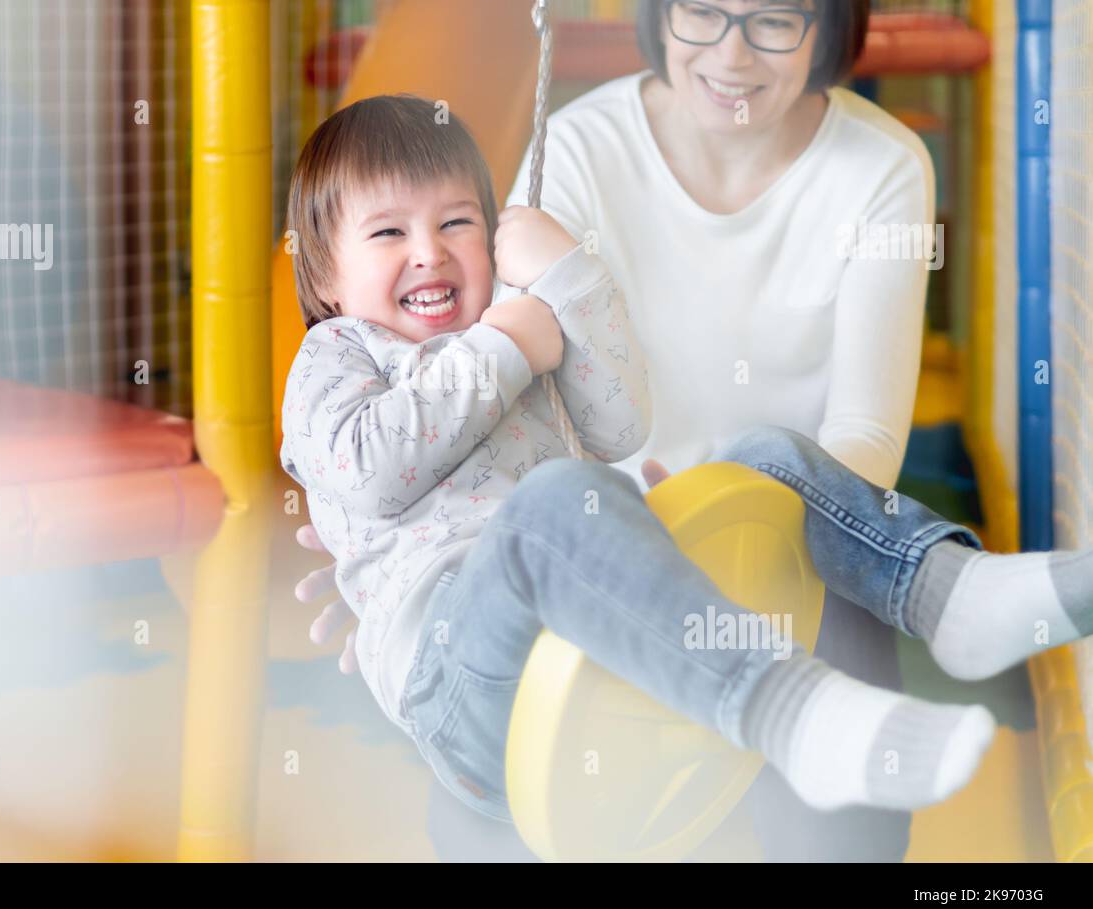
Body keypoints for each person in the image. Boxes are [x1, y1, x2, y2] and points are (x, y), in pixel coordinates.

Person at [294, 0, 961, 860]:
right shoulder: (580, 147)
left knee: (829, 726)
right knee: (514, 785)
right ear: (664, 11)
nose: (730, 55)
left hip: (777, 529)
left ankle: (919, 609)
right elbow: (470, 373)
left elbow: (863, 439)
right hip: (595, 542)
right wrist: (401, 558)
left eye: (773, 21)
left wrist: (711, 513)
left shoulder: (880, 166)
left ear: (826, 29)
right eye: (702, 11)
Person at [280, 94, 1093, 839]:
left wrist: (568, 281)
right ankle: (788, 712)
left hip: (594, 651)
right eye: (390, 233)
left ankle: (944, 589)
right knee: (554, 505)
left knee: (758, 458)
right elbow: (370, 467)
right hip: (463, 683)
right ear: (322, 274)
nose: (430, 252)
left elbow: (621, 422)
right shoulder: (338, 353)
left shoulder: (511, 320)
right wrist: (505, 347)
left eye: (457, 223)